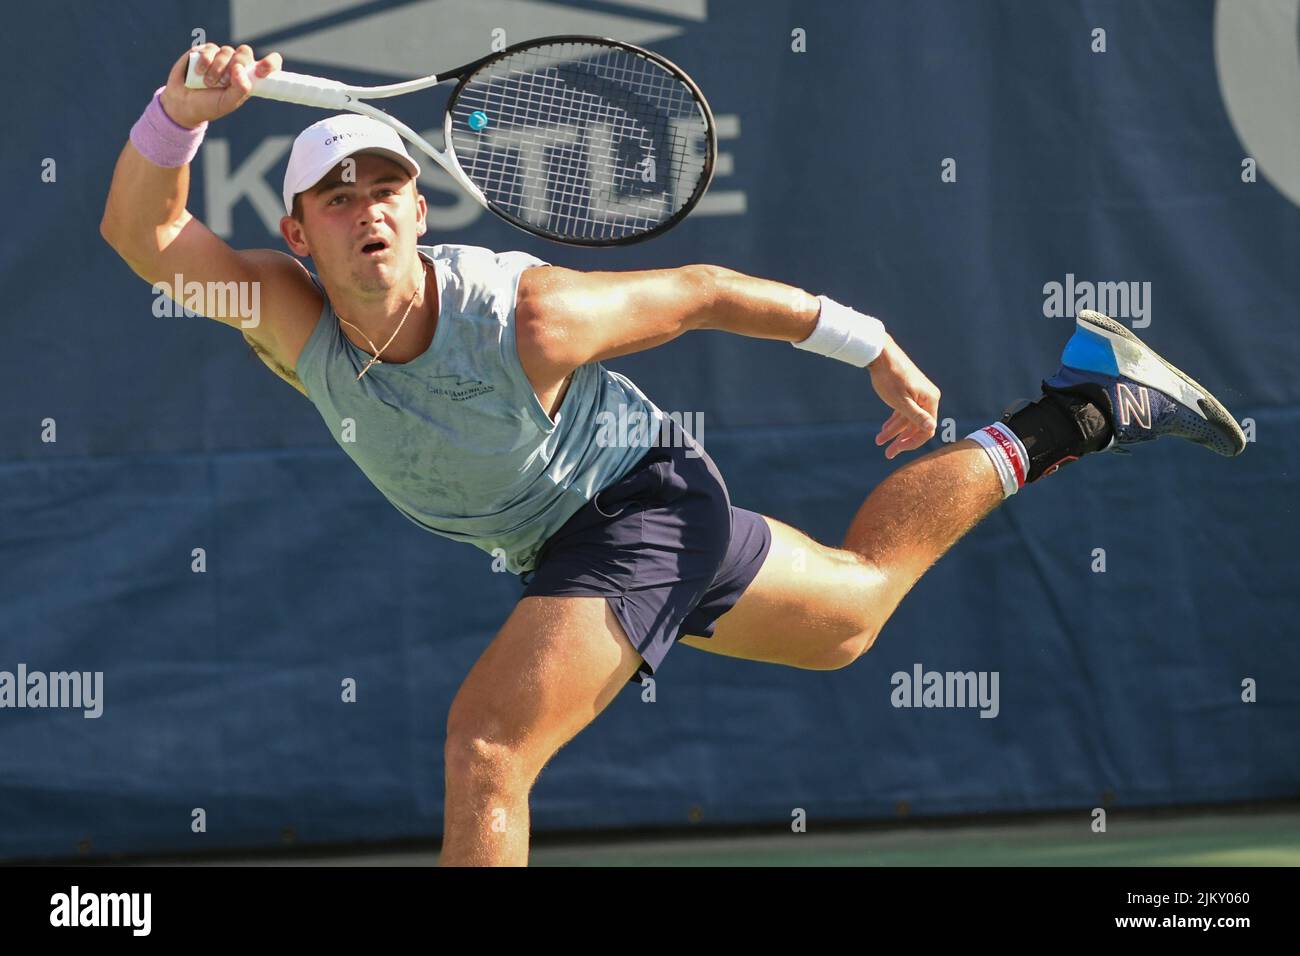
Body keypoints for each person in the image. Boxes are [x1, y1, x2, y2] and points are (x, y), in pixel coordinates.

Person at [100, 44, 1246, 866]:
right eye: (336, 198)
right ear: (296, 231)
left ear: (419, 208)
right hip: (564, 531)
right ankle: (1093, 406)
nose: (371, 211)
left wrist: (873, 346)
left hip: (636, 502)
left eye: (389, 186)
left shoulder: (527, 318)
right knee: (850, 612)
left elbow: (701, 293)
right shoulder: (284, 315)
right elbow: (140, 234)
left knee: (488, 742)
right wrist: (178, 112)